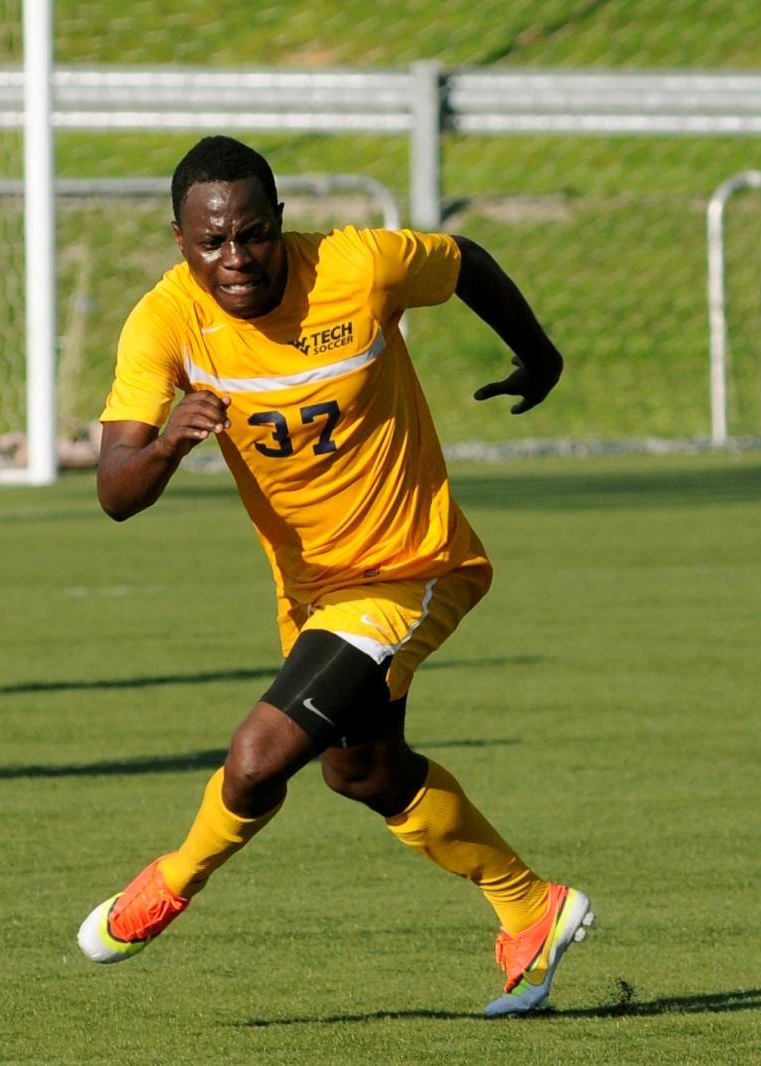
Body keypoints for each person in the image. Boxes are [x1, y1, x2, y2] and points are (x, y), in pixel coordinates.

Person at [75, 135, 590, 1019]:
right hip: (312, 590)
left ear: (281, 223)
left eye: (252, 235)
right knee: (362, 771)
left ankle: (172, 879)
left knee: (256, 756)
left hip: (410, 564)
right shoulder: (167, 322)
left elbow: (466, 261)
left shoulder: (359, 266)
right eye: (211, 243)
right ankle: (530, 903)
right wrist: (169, 443)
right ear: (179, 239)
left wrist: (539, 355)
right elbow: (116, 493)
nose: (235, 260)